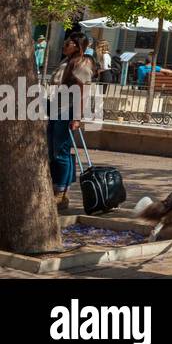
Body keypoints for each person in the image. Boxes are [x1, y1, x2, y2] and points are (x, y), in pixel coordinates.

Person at [48, 33, 97, 211]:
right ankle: (58, 188)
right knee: (56, 151)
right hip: (56, 109)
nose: (64, 44)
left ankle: (62, 192)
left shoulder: (82, 63)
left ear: (77, 45)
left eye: (68, 43)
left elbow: (82, 92)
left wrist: (77, 117)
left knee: (61, 152)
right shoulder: (66, 61)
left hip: (67, 110)